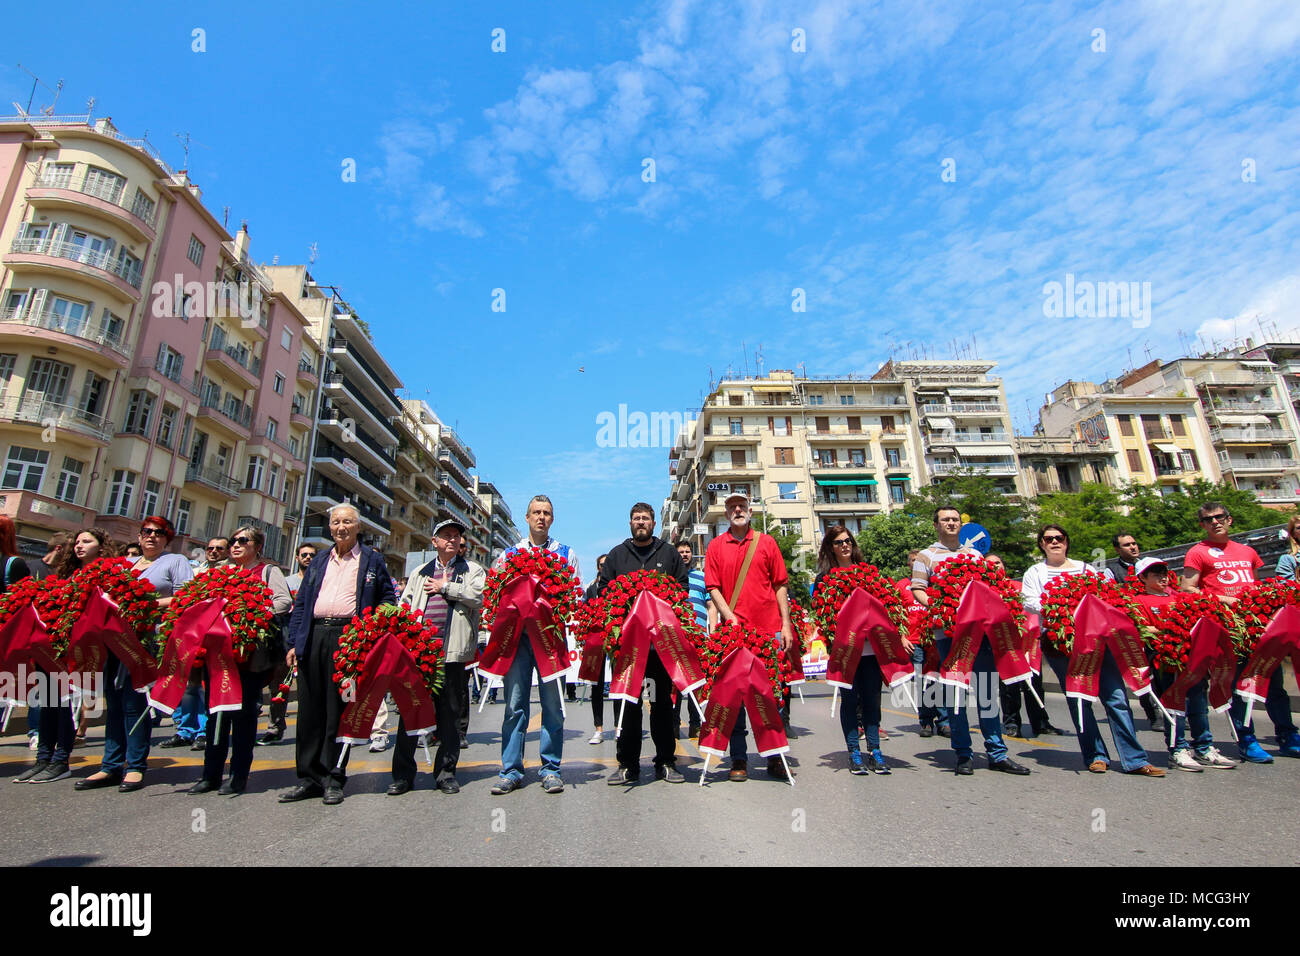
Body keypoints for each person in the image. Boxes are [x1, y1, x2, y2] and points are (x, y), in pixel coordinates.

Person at [1024, 524, 1164, 777]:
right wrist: (1060, 605)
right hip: (1062, 643)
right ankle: (1095, 755)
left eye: (1060, 538)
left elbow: (1103, 595)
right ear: (1042, 544)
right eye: (1049, 539)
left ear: (1067, 541)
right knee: (1080, 700)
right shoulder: (1035, 572)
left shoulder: (1086, 568)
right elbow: (1030, 602)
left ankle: (1134, 758)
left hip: (1098, 642)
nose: (1055, 542)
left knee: (1117, 698)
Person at [281, 504, 396, 805]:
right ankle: (308, 777)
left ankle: (333, 777)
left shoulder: (372, 561)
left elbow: (387, 599)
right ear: (330, 527)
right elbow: (302, 604)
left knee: (339, 710)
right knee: (309, 711)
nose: (341, 527)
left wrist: (370, 634)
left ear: (359, 527)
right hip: (315, 635)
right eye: (335, 522)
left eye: (347, 521)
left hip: (349, 639)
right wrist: (294, 643)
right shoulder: (319, 561)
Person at [77, 517, 192, 793]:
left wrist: (146, 603)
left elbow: (186, 597)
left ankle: (135, 766)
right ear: (139, 537)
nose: (151, 537)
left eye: (159, 533)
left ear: (167, 538)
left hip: (145, 642)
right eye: (146, 532)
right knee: (113, 703)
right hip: (113, 640)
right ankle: (110, 765)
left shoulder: (175, 561)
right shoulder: (125, 564)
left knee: (134, 704)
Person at [912, 507, 1028, 776]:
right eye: (946, 520)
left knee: (987, 691)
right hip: (950, 635)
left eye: (955, 519)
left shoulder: (974, 555)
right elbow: (918, 589)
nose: (951, 523)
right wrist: (941, 608)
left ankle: (996, 752)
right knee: (955, 696)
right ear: (936, 525)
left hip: (982, 633)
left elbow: (990, 588)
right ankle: (963, 753)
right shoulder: (925, 556)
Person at [1181, 501, 1298, 762]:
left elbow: (1255, 587)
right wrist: (1224, 600)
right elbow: (1187, 587)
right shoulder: (1197, 553)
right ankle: (1247, 740)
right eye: (1209, 519)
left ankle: (1288, 736)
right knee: (1237, 687)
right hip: (1229, 629)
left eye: (1220, 517)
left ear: (1229, 520)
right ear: (1202, 525)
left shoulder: (1247, 551)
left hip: (1256, 626)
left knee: (1273, 682)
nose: (1215, 522)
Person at [189, 527, 292, 795]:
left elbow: (283, 602)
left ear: (257, 546)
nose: (235, 545)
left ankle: (238, 775)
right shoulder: (220, 574)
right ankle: (210, 774)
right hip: (217, 658)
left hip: (249, 659)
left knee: (244, 717)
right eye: (233, 541)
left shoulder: (269, 572)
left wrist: (253, 612)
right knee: (215, 716)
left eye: (242, 541)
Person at [489, 495, 579, 795]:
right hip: (516, 640)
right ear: (526, 518)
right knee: (515, 703)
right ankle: (511, 769)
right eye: (536, 513)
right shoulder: (509, 555)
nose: (541, 517)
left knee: (553, 704)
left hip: (550, 638)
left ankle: (551, 768)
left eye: (547, 513)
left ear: (553, 519)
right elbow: (497, 593)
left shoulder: (566, 554)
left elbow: (573, 598)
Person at [389, 519, 485, 796]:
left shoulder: (472, 570)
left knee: (450, 717)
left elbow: (479, 596)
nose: (453, 540)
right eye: (446, 535)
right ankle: (403, 776)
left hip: (452, 654)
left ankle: (445, 773)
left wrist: (446, 588)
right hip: (419, 654)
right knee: (410, 714)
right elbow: (405, 607)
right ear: (435, 542)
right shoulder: (420, 572)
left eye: (456, 536)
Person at [704, 491, 795, 783]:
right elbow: (712, 587)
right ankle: (739, 759)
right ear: (725, 513)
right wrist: (728, 617)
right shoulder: (716, 546)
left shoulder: (766, 542)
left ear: (750, 510)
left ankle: (775, 758)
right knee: (734, 698)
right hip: (734, 634)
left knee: (772, 697)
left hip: (767, 630)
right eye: (732, 506)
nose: (737, 510)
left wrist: (786, 624)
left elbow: (781, 584)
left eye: (742, 505)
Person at [600, 503, 690, 785]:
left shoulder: (668, 553)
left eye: (646, 519)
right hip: (628, 648)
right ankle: (627, 764)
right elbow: (604, 593)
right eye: (637, 519)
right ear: (630, 523)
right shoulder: (617, 555)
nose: (641, 523)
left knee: (663, 705)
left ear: (653, 522)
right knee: (628, 705)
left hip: (661, 647)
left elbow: (682, 590)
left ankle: (665, 761)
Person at [1133, 557, 1237, 773]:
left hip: (1192, 658)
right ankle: (1177, 749)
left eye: (1164, 572)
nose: (1163, 576)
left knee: (1199, 702)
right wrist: (1171, 631)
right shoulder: (1139, 601)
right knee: (1175, 705)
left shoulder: (1180, 597)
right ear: (1142, 577)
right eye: (1155, 573)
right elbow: (1143, 629)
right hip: (1166, 659)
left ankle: (1204, 746)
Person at [814, 524, 900, 775]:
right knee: (850, 701)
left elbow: (886, 607)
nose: (845, 545)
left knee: (872, 700)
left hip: (872, 649)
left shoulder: (869, 574)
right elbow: (823, 616)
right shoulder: (825, 580)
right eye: (839, 542)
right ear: (830, 548)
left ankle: (875, 750)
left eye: (848, 540)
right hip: (846, 652)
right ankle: (854, 752)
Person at [990, 552, 1065, 739]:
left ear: (1004, 565)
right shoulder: (985, 591)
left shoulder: (1020, 587)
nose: (994, 566)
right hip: (1003, 645)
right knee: (1009, 687)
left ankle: (1040, 722)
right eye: (989, 564)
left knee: (1035, 684)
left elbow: (1032, 608)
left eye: (997, 562)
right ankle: (1012, 723)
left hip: (1028, 643)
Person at [261, 544, 317, 746]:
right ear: (297, 558)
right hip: (286, 638)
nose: (308, 558)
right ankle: (275, 726)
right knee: (279, 684)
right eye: (304, 555)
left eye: (312, 555)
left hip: (312, 638)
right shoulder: (285, 581)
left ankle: (312, 729)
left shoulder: (321, 581)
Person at [675, 540, 707, 738]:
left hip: (700, 636)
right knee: (677, 683)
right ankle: (674, 723)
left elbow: (711, 605)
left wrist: (711, 632)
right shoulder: (671, 579)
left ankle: (695, 723)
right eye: (681, 551)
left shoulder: (702, 577)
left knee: (697, 683)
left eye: (688, 551)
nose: (685, 554)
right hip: (677, 638)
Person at [585, 554, 608, 744]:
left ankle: (619, 727)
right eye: (602, 565)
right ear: (597, 567)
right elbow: (584, 610)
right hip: (596, 640)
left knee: (619, 683)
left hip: (615, 638)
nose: (605, 567)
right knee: (597, 685)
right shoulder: (591, 588)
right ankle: (598, 728)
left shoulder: (619, 585)